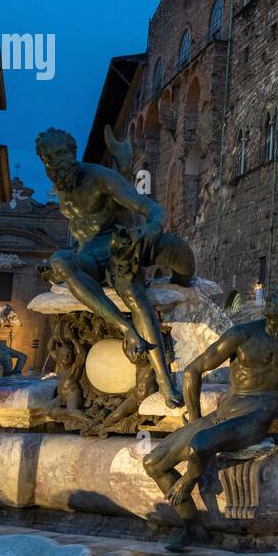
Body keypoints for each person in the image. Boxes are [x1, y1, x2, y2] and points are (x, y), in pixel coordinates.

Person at [142, 285, 278, 551]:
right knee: (153, 463)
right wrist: (195, 418)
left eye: (276, 297)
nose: (268, 298)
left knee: (200, 444)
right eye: (270, 295)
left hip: (257, 418)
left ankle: (186, 485)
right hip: (224, 414)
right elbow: (192, 371)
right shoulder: (242, 334)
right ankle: (195, 528)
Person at [35, 127, 193, 407]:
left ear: (73, 153)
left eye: (61, 154)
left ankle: (165, 381)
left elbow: (150, 208)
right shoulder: (62, 182)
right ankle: (126, 329)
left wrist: (152, 229)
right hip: (88, 254)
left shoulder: (99, 177)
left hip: (120, 244)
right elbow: (84, 228)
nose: (55, 162)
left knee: (131, 291)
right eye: (49, 158)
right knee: (60, 260)